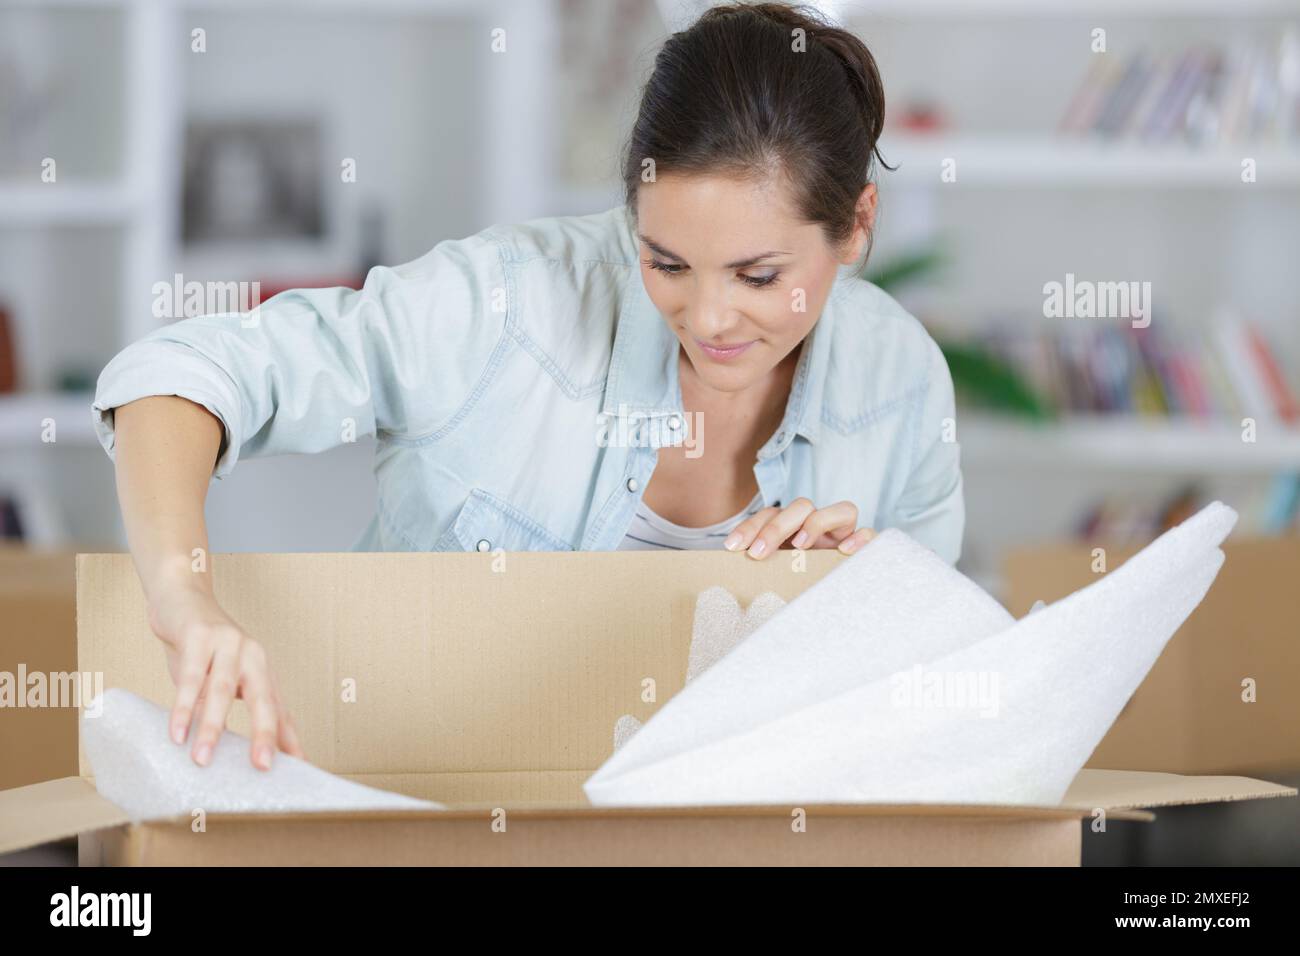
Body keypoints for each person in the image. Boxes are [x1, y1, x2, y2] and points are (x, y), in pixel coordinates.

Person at [92, 3, 963, 773]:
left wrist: (861, 600)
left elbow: (932, 696)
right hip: (414, 804)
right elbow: (177, 378)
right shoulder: (503, 307)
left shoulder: (898, 382)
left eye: (759, 277)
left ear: (855, 226)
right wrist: (185, 599)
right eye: (666, 262)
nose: (708, 318)